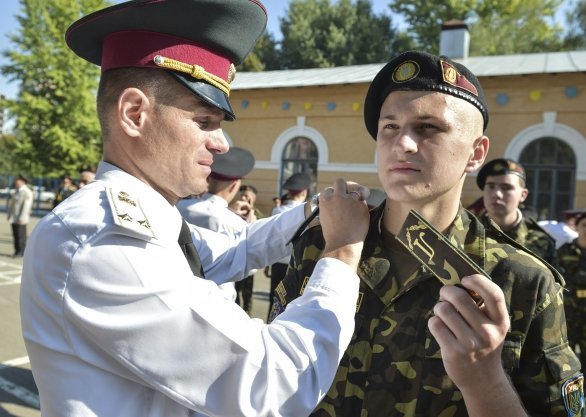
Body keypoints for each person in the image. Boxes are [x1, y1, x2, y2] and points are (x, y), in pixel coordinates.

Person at [19, 1, 371, 416]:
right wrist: (342, 254)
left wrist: (318, 210)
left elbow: (236, 246)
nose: (221, 144)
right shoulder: (102, 241)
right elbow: (275, 382)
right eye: (204, 121)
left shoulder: (147, 219)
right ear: (135, 114)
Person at [269, 50, 584, 417]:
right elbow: (273, 378)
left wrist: (486, 381)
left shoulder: (523, 283)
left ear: (476, 153)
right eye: (390, 127)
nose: (402, 143)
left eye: (428, 128)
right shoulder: (323, 245)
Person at [176, 146, 255, 301]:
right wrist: (251, 226)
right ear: (234, 186)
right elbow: (249, 264)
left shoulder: (180, 207)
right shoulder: (234, 222)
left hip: (180, 292)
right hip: (218, 299)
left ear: (209, 178)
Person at [556, 210, 586, 416]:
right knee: (569, 362)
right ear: (577, 228)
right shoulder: (564, 251)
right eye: (584, 225)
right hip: (570, 316)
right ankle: (573, 404)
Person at [477, 158, 557, 264]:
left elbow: (553, 280)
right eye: (491, 186)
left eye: (506, 188)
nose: (497, 194)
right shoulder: (466, 232)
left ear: (523, 195)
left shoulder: (541, 241)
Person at [266, 172, 312, 316]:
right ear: (304, 192)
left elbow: (270, 239)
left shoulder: (278, 210)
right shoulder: (310, 213)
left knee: (274, 298)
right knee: (292, 302)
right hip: (297, 264)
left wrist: (268, 263)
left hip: (277, 261)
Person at [236, 183, 263, 312]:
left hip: (249, 261)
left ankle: (247, 316)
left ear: (253, 198)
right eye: (242, 195)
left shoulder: (257, 214)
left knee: (247, 296)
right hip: (234, 258)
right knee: (234, 295)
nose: (243, 198)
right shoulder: (234, 211)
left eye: (246, 196)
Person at [7, 174, 33, 257]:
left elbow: (26, 206)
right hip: (14, 217)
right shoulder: (17, 191)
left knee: (21, 235)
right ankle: (17, 250)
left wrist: (21, 218)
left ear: (22, 182)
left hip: (21, 219)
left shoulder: (27, 192)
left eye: (17, 180)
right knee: (15, 235)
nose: (16, 182)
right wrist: (9, 215)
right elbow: (12, 205)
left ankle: (22, 251)